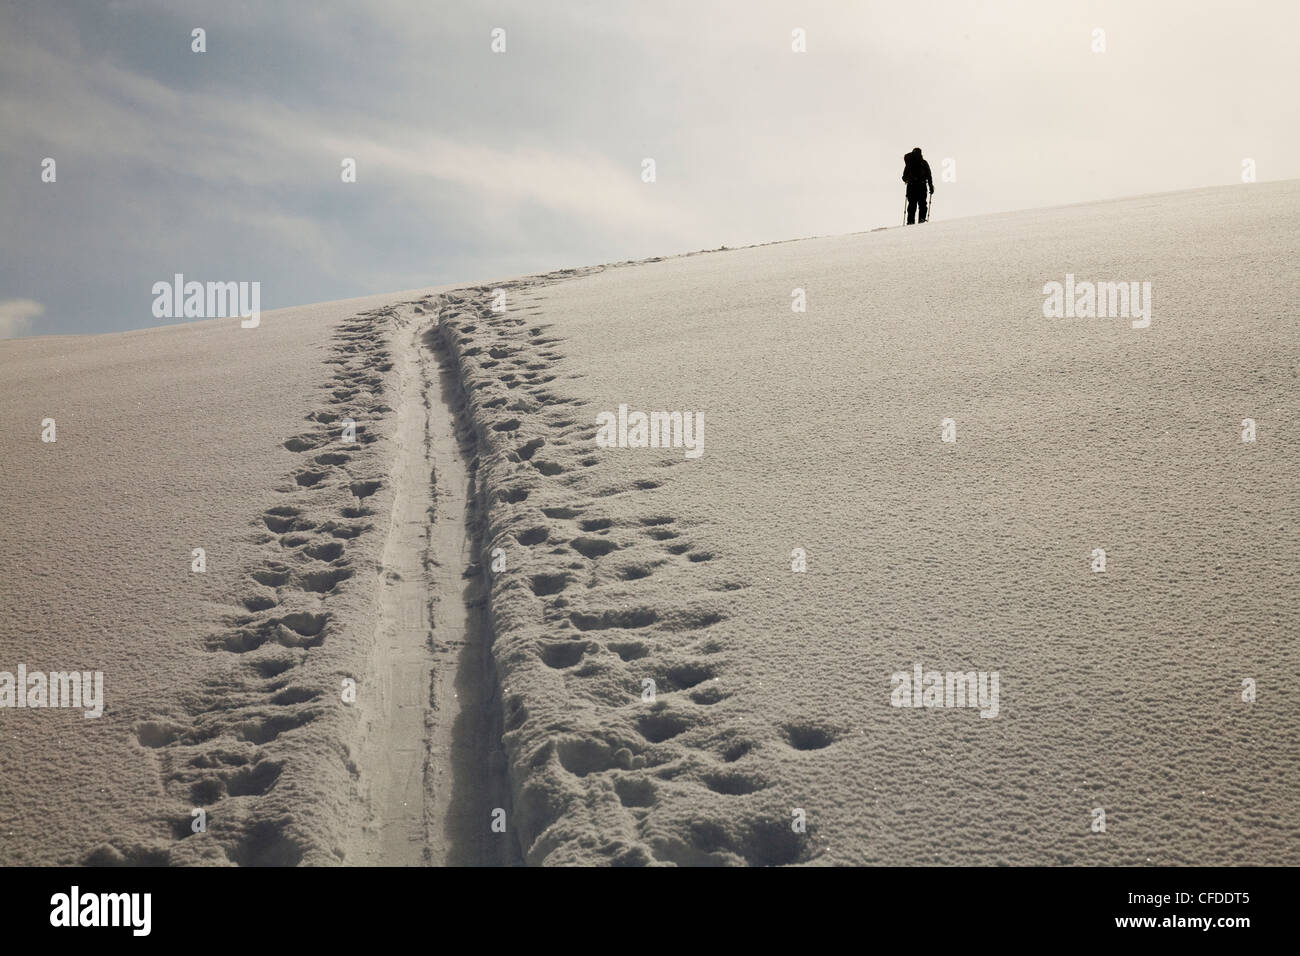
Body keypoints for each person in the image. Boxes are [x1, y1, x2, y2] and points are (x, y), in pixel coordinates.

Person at [902, 147, 934, 224]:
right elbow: (929, 175)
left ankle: (910, 222)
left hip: (911, 187)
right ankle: (921, 220)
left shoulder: (909, 164)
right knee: (922, 204)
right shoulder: (924, 163)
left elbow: (904, 177)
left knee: (912, 205)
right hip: (921, 186)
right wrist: (931, 187)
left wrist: (907, 180)